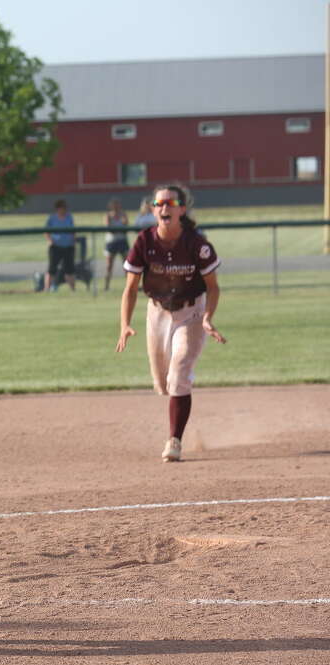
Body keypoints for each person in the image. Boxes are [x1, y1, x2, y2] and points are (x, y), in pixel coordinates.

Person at [116, 184, 226, 463]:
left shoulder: (196, 244)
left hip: (191, 313)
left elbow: (213, 287)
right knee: (163, 384)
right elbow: (130, 288)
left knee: (178, 375)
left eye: (170, 203)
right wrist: (124, 324)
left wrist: (208, 317)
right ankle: (179, 412)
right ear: (153, 209)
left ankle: (174, 441)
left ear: (181, 210)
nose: (164, 207)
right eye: (159, 203)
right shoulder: (144, 241)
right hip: (157, 313)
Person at [43, 199, 76, 292]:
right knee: (51, 269)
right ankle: (46, 289)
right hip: (56, 247)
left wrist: (73, 241)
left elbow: (73, 231)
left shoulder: (69, 217)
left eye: (65, 207)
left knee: (69, 270)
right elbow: (46, 231)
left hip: (68, 246)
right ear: (58, 209)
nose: (64, 209)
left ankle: (72, 290)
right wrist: (50, 240)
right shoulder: (52, 218)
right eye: (62, 207)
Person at [103, 198, 130, 291]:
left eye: (117, 205)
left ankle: (129, 285)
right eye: (114, 205)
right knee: (109, 266)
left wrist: (122, 223)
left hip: (122, 241)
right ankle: (106, 286)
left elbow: (126, 225)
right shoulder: (108, 215)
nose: (116, 207)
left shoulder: (123, 214)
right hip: (112, 242)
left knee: (126, 264)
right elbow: (108, 228)